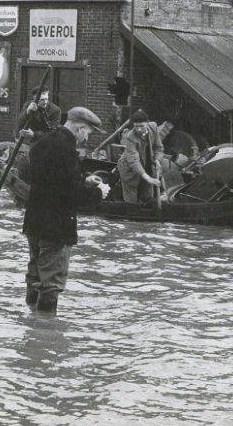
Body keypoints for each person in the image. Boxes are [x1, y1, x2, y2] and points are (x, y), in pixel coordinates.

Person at [23, 106, 109, 313]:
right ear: (79, 128)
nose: (87, 138)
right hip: (56, 226)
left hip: (34, 221)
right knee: (52, 281)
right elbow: (70, 194)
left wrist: (83, 179)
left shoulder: (41, 144)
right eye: (88, 132)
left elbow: (49, 180)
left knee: (35, 274)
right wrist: (99, 193)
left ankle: (30, 322)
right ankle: (46, 332)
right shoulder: (67, 151)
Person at [116, 109, 164, 203]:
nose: (138, 129)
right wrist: (148, 178)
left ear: (147, 122)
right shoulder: (131, 136)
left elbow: (158, 148)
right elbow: (134, 161)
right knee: (131, 201)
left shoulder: (153, 127)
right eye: (136, 126)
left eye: (141, 126)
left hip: (147, 166)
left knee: (147, 198)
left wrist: (157, 160)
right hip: (130, 170)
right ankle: (130, 215)